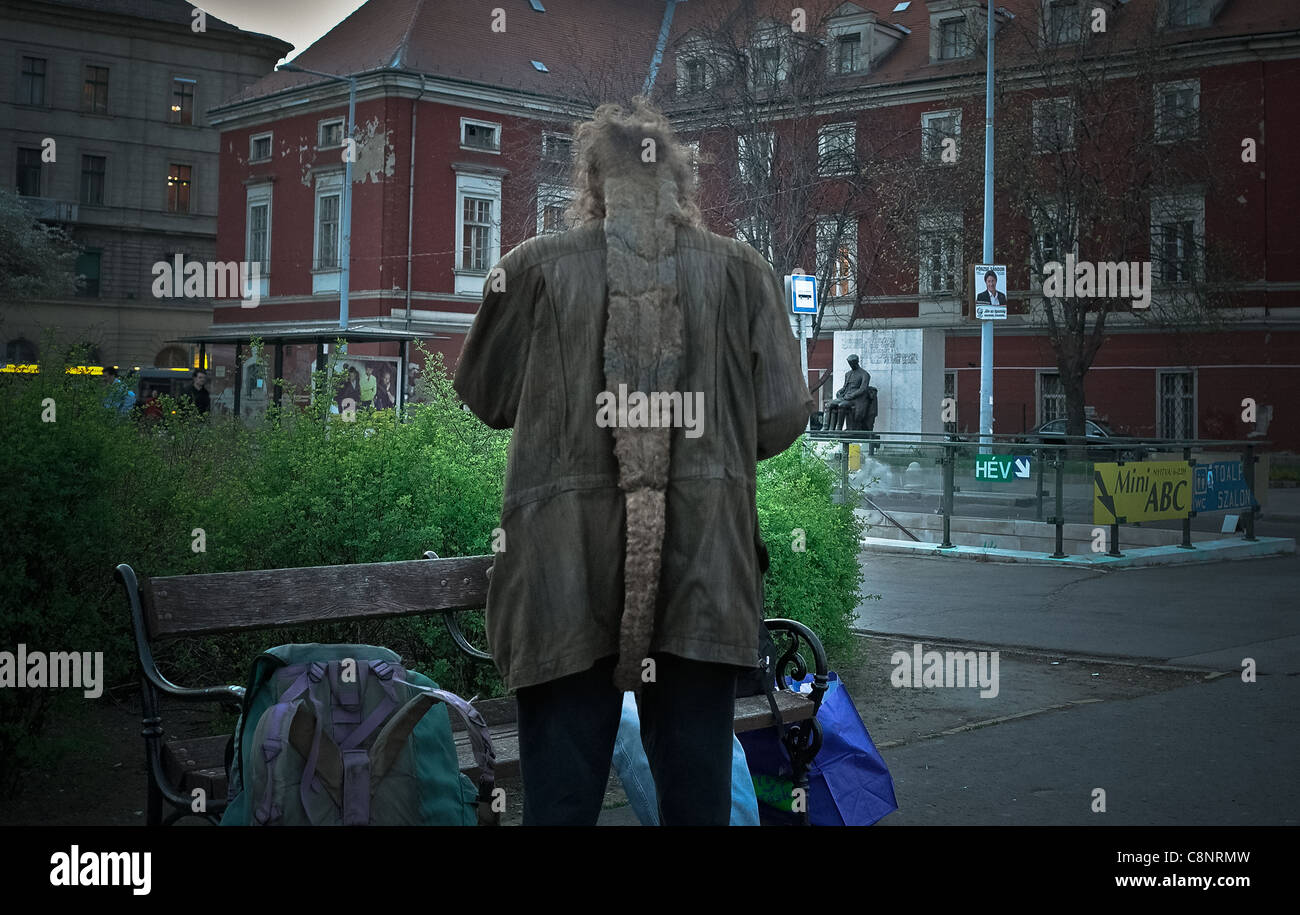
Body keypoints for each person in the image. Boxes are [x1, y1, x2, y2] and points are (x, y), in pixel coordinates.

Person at [454, 98, 812, 826]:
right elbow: (780, 418)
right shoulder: (744, 273)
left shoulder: (531, 270)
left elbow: (486, 397)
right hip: (703, 572)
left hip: (563, 577)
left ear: (590, 182)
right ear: (678, 182)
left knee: (558, 801)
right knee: (697, 799)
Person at [825, 354, 870, 431]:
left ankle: (838, 428)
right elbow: (845, 387)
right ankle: (826, 428)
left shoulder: (864, 374)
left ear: (856, 362)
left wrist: (852, 395)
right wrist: (840, 391)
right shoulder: (848, 374)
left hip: (856, 399)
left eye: (852, 363)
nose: (851, 365)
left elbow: (863, 389)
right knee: (829, 405)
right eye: (849, 364)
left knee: (841, 405)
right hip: (845, 397)